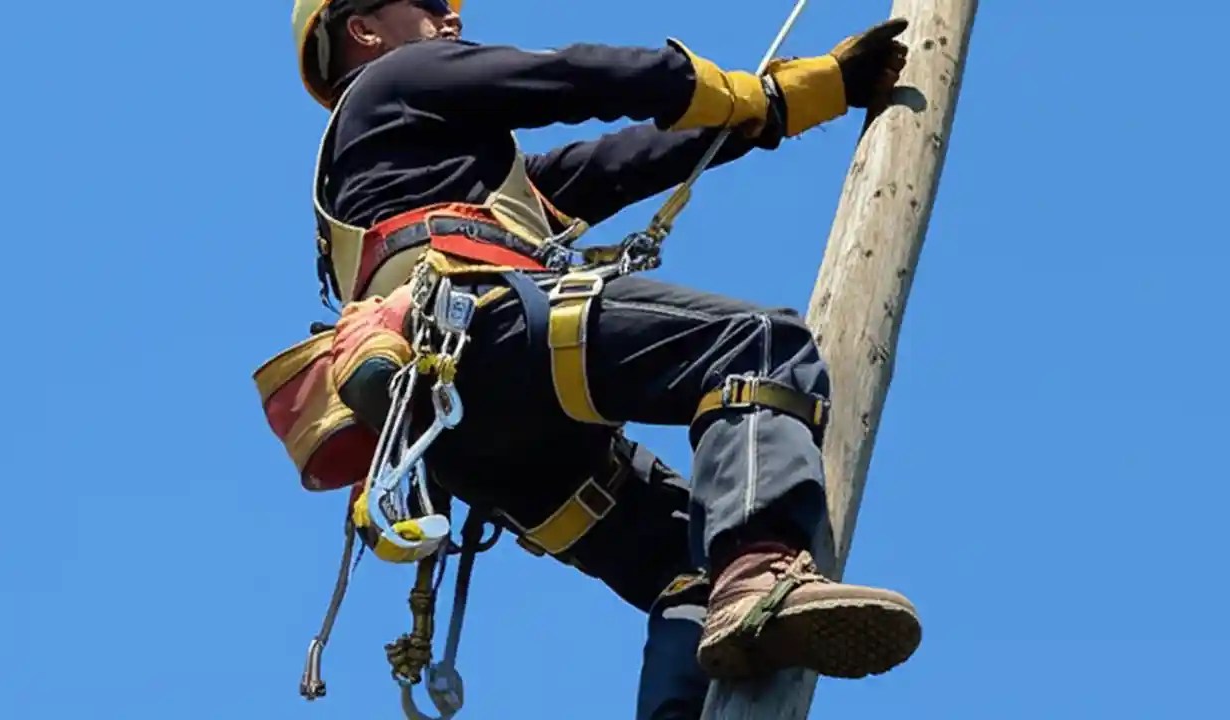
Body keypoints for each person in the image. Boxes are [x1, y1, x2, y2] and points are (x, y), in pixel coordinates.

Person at [280, 1, 921, 717]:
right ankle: (763, 573)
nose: (450, 16)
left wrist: (788, 101)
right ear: (363, 30)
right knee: (758, 346)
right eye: (426, 4)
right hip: (482, 335)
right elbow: (568, 78)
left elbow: (621, 164)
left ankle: (700, 666)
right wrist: (714, 86)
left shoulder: (430, 169)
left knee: (686, 566)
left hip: (467, 440)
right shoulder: (399, 76)